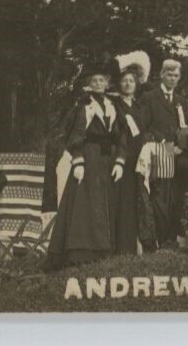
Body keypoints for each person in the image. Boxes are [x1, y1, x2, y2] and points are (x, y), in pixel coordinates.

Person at [45, 62, 128, 270]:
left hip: (108, 160)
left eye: (102, 80)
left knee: (106, 204)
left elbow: (122, 136)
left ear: (107, 83)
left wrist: (120, 160)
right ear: (89, 84)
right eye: (94, 80)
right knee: (86, 204)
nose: (98, 83)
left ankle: (105, 250)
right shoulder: (83, 106)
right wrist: (78, 161)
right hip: (89, 158)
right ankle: (82, 252)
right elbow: (76, 135)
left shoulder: (114, 106)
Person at [140, 59, 188, 249]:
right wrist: (165, 144)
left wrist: (181, 147)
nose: (172, 78)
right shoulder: (149, 97)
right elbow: (144, 125)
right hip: (158, 152)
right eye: (169, 74)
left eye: (176, 75)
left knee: (176, 196)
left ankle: (173, 237)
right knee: (160, 196)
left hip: (178, 154)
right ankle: (161, 239)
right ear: (162, 75)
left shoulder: (181, 101)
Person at [111, 62, 151, 254]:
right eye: (124, 81)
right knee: (120, 200)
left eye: (131, 81)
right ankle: (119, 247)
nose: (128, 84)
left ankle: (133, 246)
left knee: (135, 200)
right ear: (119, 84)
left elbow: (143, 131)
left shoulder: (138, 106)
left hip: (137, 157)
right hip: (120, 157)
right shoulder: (114, 104)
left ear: (136, 84)